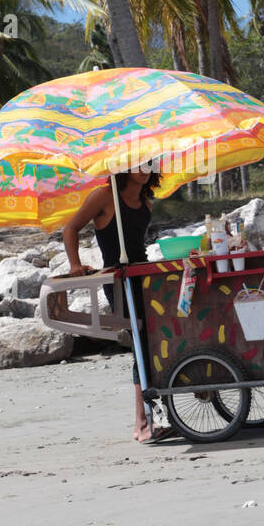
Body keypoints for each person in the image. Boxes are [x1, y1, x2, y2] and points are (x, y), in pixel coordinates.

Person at [63, 165, 172, 444]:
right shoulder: (104, 196)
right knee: (141, 344)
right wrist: (75, 264)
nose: (146, 169)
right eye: (139, 163)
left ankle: (157, 418)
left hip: (142, 278)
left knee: (152, 344)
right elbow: (71, 228)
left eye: (150, 163)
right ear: (124, 167)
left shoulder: (145, 202)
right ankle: (142, 423)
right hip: (118, 281)